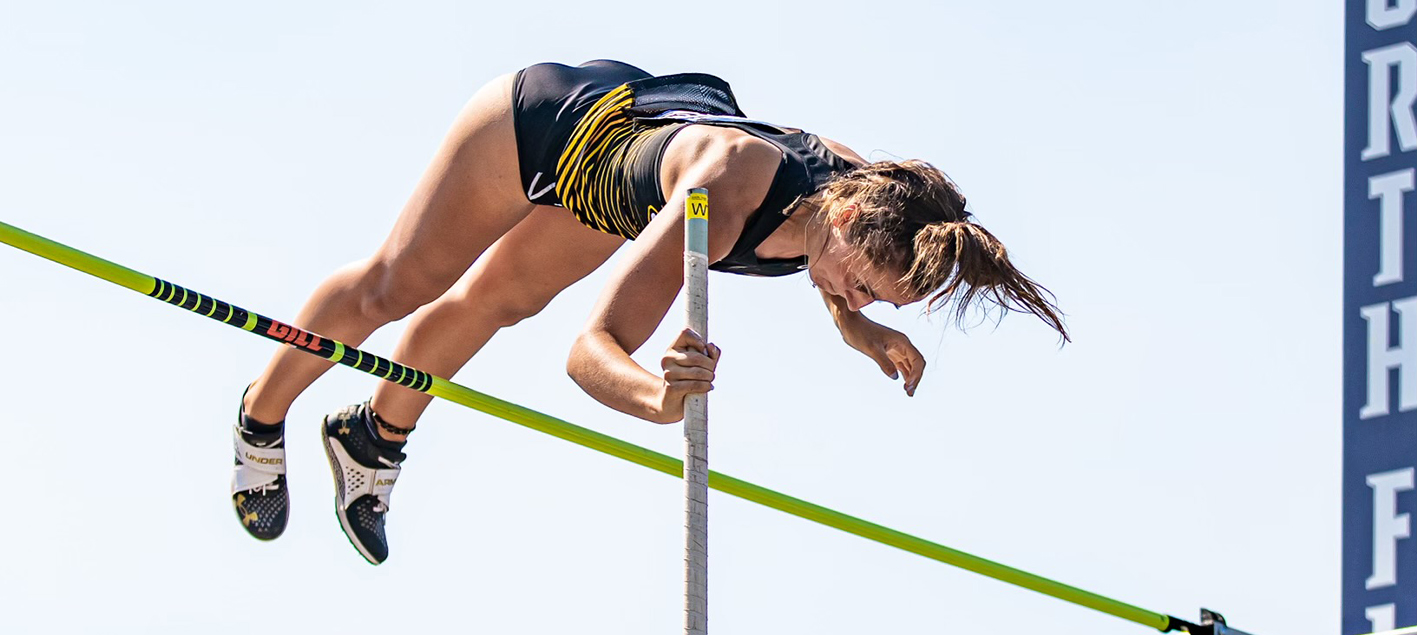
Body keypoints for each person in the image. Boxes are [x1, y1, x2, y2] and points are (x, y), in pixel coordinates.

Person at [229, 59, 1069, 565]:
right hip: (543, 127)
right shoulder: (724, 191)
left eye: (885, 300)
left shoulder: (861, 198)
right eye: (863, 288)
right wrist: (659, 399)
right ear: (843, 222)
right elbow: (591, 348)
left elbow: (834, 268)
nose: (857, 298)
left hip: (615, 188)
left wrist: (859, 328)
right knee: (396, 284)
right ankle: (260, 420)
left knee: (496, 303)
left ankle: (371, 437)